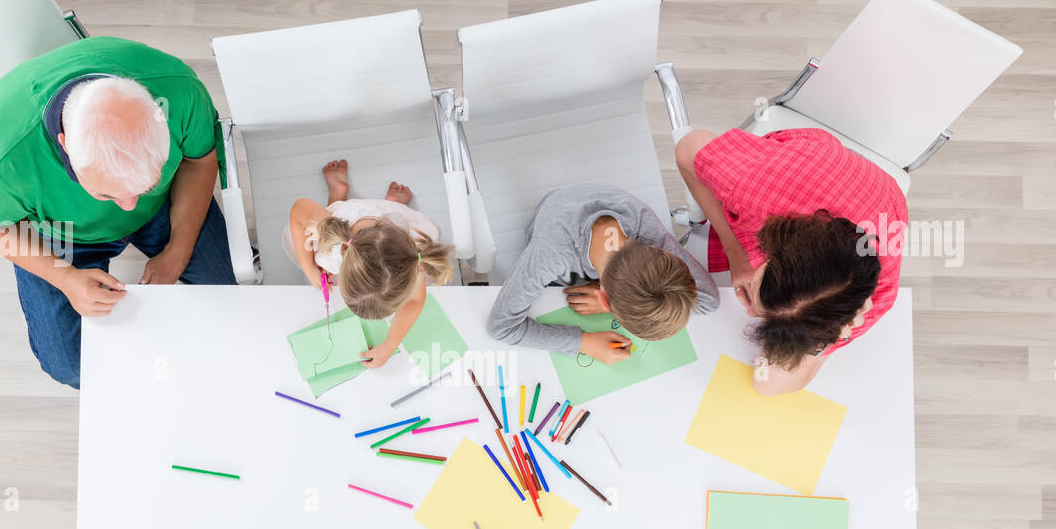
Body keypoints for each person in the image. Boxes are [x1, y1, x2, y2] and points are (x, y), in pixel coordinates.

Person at [0, 36, 237, 389]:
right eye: (109, 192)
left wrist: (178, 251)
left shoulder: (180, 92)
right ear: (65, 144)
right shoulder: (2, 157)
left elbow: (199, 163)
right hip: (60, 232)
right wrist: (65, 278)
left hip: (168, 201)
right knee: (71, 366)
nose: (129, 206)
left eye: (143, 185)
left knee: (230, 298)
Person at [675, 127, 906, 395]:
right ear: (772, 252)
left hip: (876, 193)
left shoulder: (877, 296)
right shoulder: (757, 188)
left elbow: (768, 385)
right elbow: (688, 147)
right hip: (800, 161)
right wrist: (735, 252)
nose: (753, 313)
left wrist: (818, 346)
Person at [486, 183, 718, 361]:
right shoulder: (552, 254)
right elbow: (501, 327)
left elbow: (710, 301)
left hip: (595, 213)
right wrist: (583, 342)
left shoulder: (652, 239)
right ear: (604, 301)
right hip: (554, 216)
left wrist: (609, 294)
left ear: (668, 256)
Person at [285, 159, 452, 368]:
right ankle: (340, 196)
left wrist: (391, 345)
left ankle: (393, 204)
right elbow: (299, 209)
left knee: (381, 221)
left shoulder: (410, 259)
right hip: (343, 217)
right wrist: (308, 267)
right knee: (308, 237)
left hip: (387, 220)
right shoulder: (329, 236)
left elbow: (415, 302)